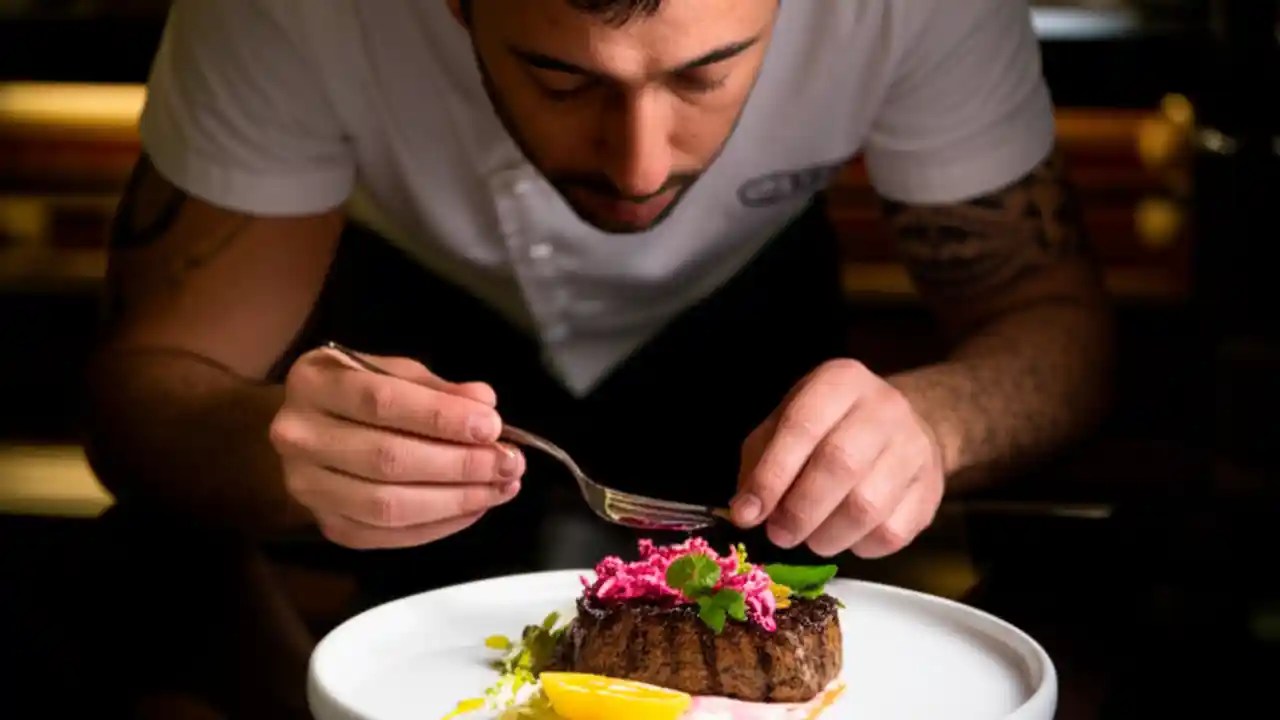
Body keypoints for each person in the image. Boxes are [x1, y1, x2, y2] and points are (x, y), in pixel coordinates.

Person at [85, 0, 1114, 600]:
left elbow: (1052, 322)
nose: (636, 169)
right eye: (560, 78)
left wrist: (933, 425)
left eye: (708, 76)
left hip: (758, 331)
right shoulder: (285, 14)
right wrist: (274, 456)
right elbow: (142, 396)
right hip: (398, 319)